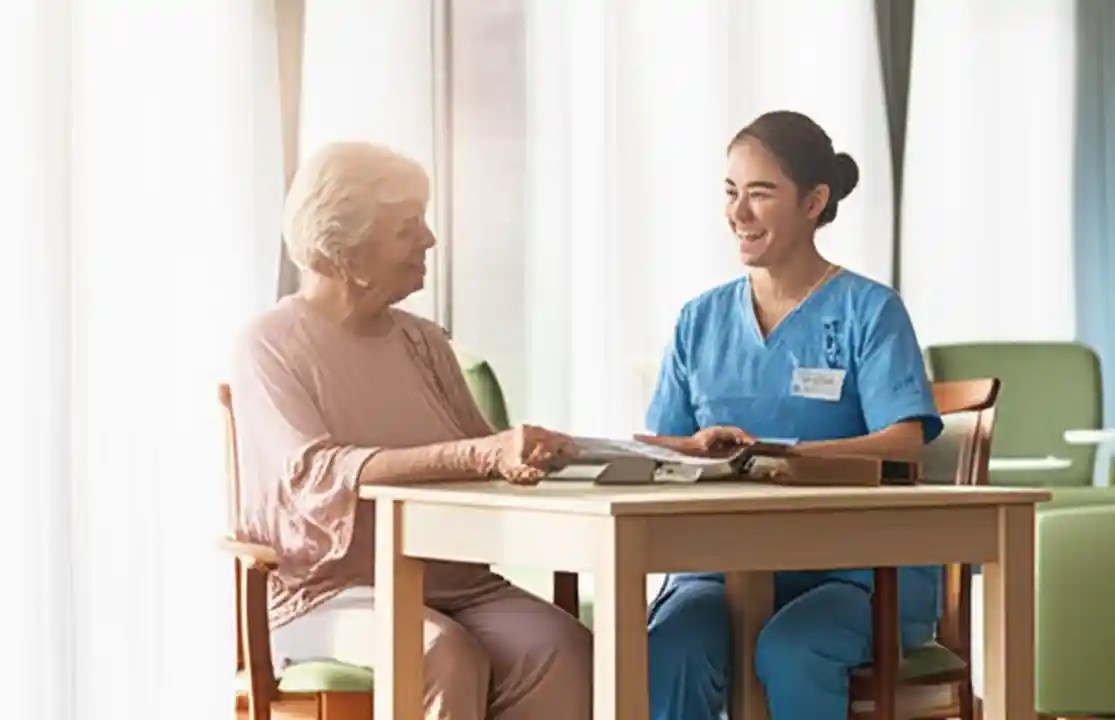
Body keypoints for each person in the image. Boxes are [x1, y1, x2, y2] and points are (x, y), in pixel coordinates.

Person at [230, 141, 591, 720]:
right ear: (343, 247)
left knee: (562, 648)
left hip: (456, 582)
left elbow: (484, 459)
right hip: (327, 594)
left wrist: (645, 452)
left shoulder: (423, 341)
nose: (429, 239)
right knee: (442, 654)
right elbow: (318, 473)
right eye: (406, 228)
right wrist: (482, 454)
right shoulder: (270, 343)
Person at [641, 111, 943, 720]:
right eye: (731, 192)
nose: (738, 214)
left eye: (760, 193)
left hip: (860, 572)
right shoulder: (698, 320)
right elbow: (660, 445)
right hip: (721, 565)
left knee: (790, 649)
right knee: (671, 644)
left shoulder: (870, 310)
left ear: (814, 202)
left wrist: (786, 459)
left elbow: (905, 441)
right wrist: (699, 445)